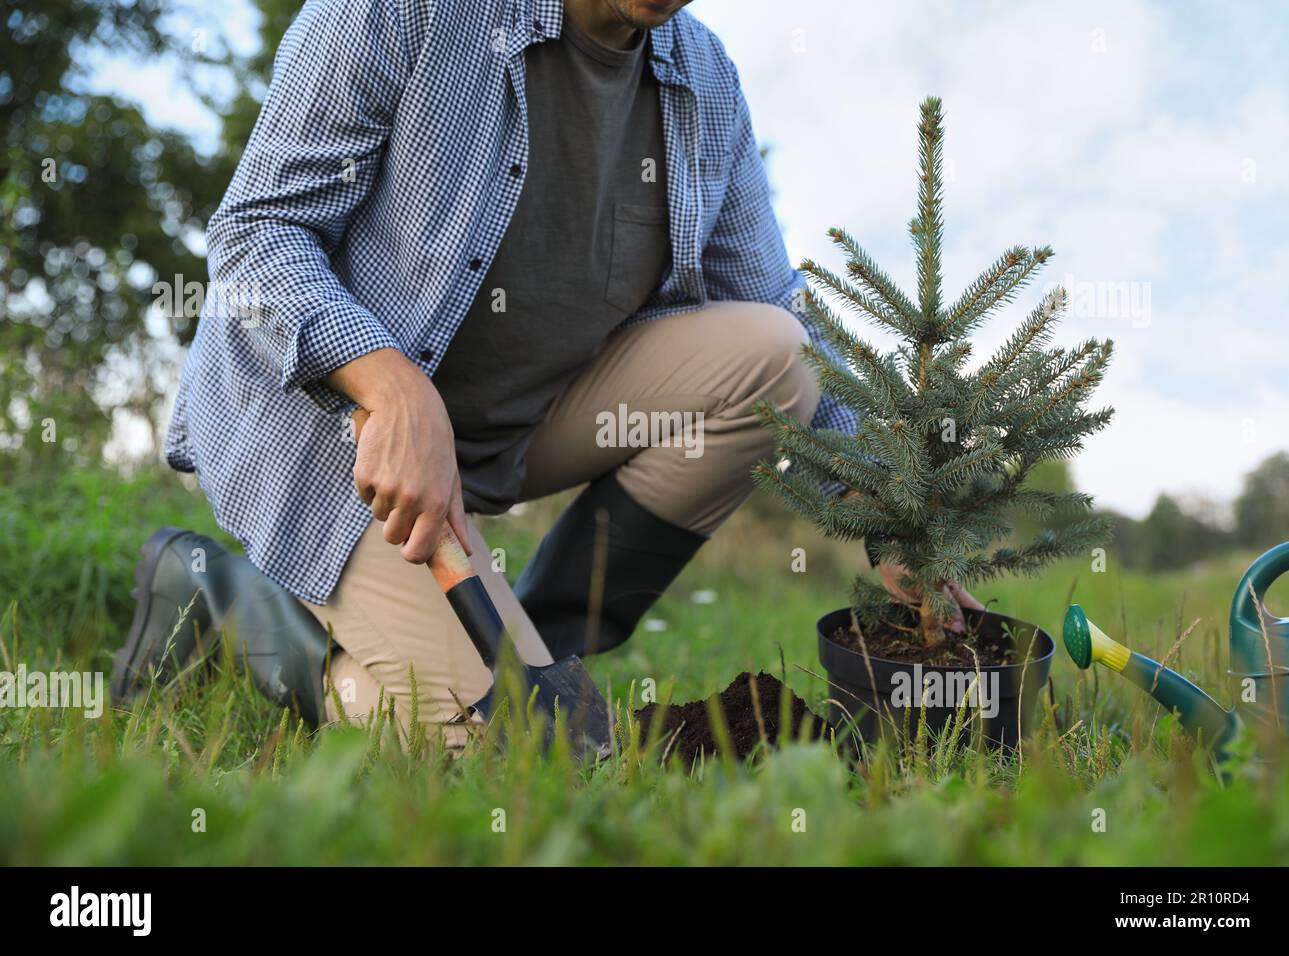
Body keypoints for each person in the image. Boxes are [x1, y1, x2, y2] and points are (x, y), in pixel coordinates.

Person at [113, 0, 972, 745]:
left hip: (515, 428)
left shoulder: (704, 77)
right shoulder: (408, 11)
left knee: (778, 355)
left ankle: (543, 649)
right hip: (337, 434)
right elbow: (256, 237)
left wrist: (885, 505)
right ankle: (228, 603)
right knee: (500, 746)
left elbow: (773, 296)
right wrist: (389, 382)